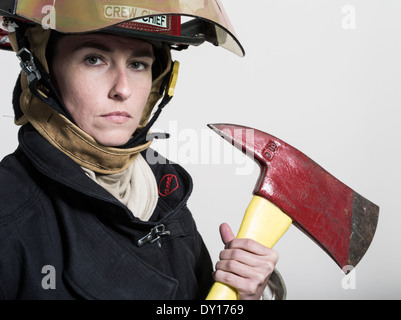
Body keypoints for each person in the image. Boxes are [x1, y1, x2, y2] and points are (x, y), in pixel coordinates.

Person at [0, 0, 285, 300]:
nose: (122, 89)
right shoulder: (9, 214)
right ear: (42, 69)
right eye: (94, 59)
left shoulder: (163, 195)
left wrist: (244, 297)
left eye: (138, 64)